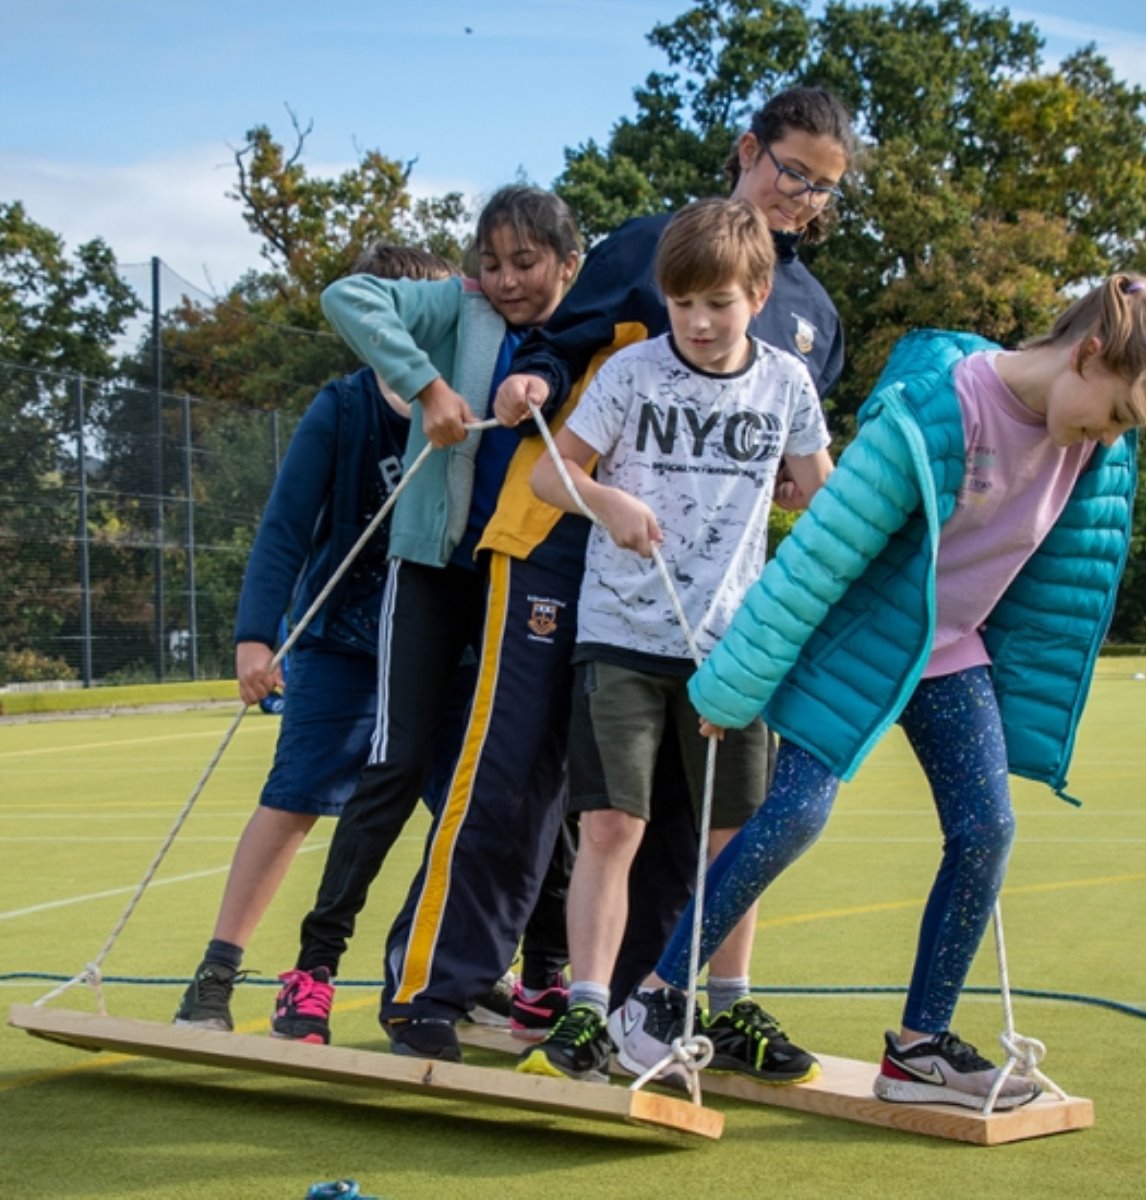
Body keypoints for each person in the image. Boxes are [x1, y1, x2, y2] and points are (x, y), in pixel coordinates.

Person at [622, 275, 1146, 1109]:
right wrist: (732, 686)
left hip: (952, 647)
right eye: (1115, 414)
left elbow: (1051, 582)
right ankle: (654, 1002)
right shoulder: (939, 410)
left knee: (986, 829)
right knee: (795, 815)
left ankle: (921, 1050)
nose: (1112, 437)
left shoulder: (1090, 448)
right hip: (864, 635)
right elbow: (822, 552)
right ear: (1089, 354)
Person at [375, 86, 857, 1066]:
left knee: (684, 817)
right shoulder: (649, 244)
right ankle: (439, 989)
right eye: (791, 171)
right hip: (562, 545)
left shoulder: (813, 318)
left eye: (823, 188)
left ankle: (646, 1007)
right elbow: (559, 347)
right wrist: (534, 382)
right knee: (516, 774)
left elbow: (801, 465)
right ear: (748, 151)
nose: (802, 196)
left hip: (706, 605)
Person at [512, 197, 833, 1085]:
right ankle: (587, 1011)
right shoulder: (631, 372)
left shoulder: (787, 384)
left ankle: (729, 1007)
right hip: (619, 638)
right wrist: (605, 500)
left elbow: (824, 495)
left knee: (735, 836)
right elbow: (549, 473)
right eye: (682, 302)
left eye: (718, 303)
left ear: (758, 295)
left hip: (734, 652)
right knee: (611, 825)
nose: (697, 321)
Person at [270, 186, 581, 1049]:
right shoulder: (459, 305)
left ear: (569, 263)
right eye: (492, 262)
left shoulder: (587, 327)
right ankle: (314, 969)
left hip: (528, 579)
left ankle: (539, 976)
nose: (506, 280)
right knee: (395, 762)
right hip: (435, 571)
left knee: (533, 775)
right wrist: (430, 386)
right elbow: (348, 296)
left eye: (526, 263)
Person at [173, 244, 458, 1032]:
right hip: (343, 641)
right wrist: (255, 638)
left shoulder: (468, 402)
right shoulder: (343, 408)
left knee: (471, 810)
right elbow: (285, 527)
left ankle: (442, 972)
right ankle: (215, 977)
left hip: (443, 648)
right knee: (294, 797)